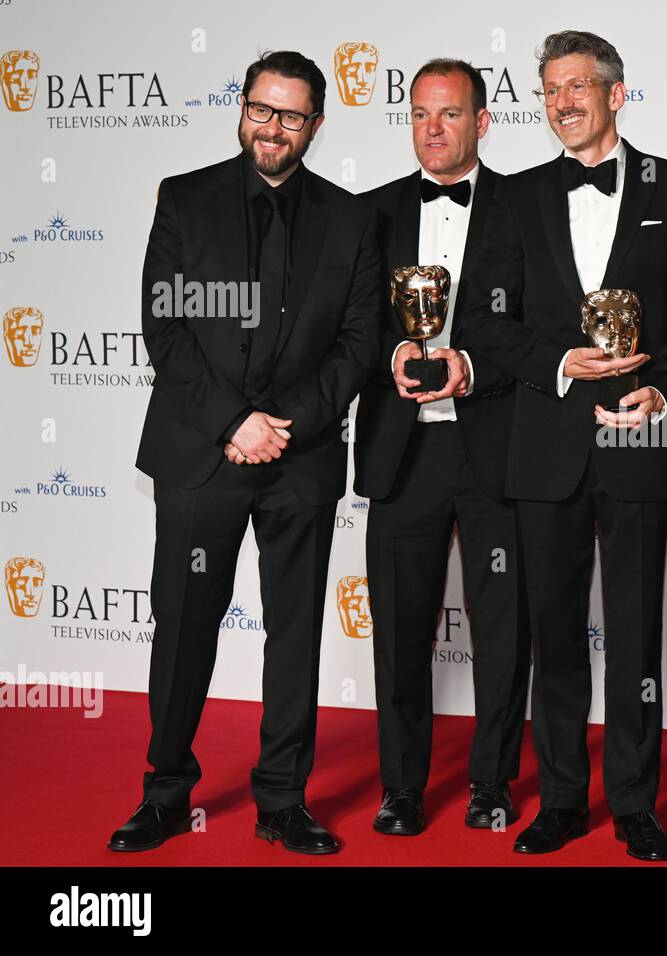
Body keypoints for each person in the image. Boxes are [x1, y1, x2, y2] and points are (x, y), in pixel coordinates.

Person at [110, 50, 381, 855]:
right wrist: (235, 423)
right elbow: (167, 327)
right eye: (262, 109)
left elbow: (359, 342)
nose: (273, 127)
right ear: (242, 107)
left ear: (316, 126)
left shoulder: (350, 217)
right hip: (202, 454)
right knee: (184, 624)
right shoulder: (184, 199)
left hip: (300, 459)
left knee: (294, 631)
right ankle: (163, 792)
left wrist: (284, 423)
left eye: (292, 116)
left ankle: (283, 800)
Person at [456, 30, 667, 861]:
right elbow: (486, 321)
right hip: (545, 447)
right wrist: (560, 360)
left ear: (615, 94)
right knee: (554, 634)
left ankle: (634, 803)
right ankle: (562, 798)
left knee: (636, 636)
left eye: (577, 87)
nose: (563, 102)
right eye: (550, 91)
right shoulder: (515, 196)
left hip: (640, 443)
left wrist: (664, 387)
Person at [353, 59, 530, 837]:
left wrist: (473, 368)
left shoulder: (526, 207)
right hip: (403, 453)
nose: (432, 127)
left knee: (502, 626)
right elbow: (347, 329)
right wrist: (389, 355)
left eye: (450, 113)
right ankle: (401, 788)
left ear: (482, 121)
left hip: (495, 446)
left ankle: (491, 782)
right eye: (420, 113)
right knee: (398, 629)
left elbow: (540, 327)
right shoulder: (370, 214)